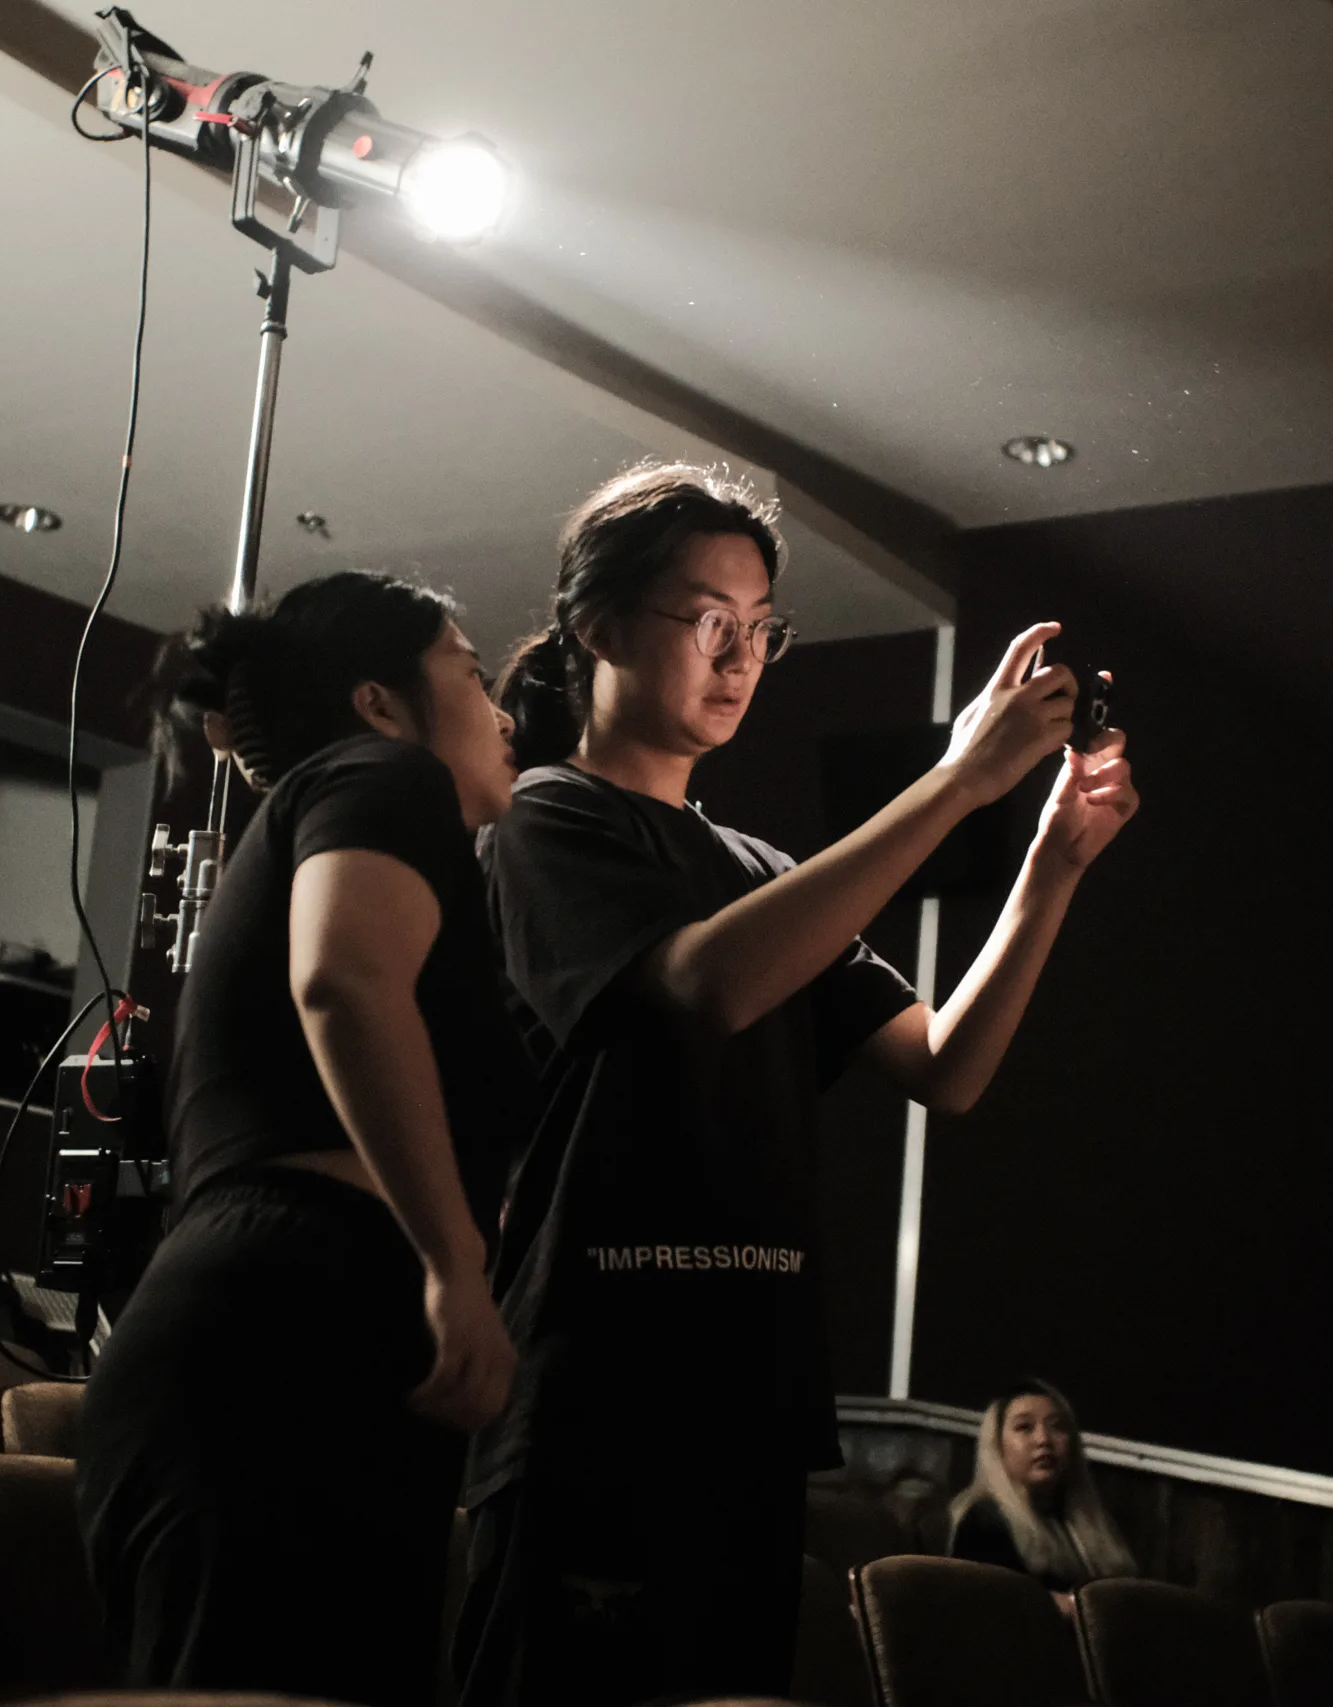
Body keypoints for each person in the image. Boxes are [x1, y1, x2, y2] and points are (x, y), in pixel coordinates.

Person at [456, 463, 1142, 1706]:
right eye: (706, 620)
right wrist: (957, 780)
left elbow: (945, 1065)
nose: (739, 657)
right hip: (598, 1388)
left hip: (750, 1390)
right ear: (597, 627)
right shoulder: (545, 818)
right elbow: (708, 982)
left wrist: (1050, 867)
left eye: (761, 628)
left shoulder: (761, 865)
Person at [76, 571, 533, 1707]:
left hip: (291, 1326)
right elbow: (343, 980)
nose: (503, 713)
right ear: (379, 703)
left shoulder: (364, 810)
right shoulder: (383, 771)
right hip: (284, 1333)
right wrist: (452, 1262)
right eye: (473, 676)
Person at [947, 1378, 1139, 1607]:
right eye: (1024, 1427)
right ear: (997, 1444)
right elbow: (991, 1604)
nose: (1043, 1439)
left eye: (1057, 1426)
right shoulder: (983, 1522)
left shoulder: (1085, 1523)